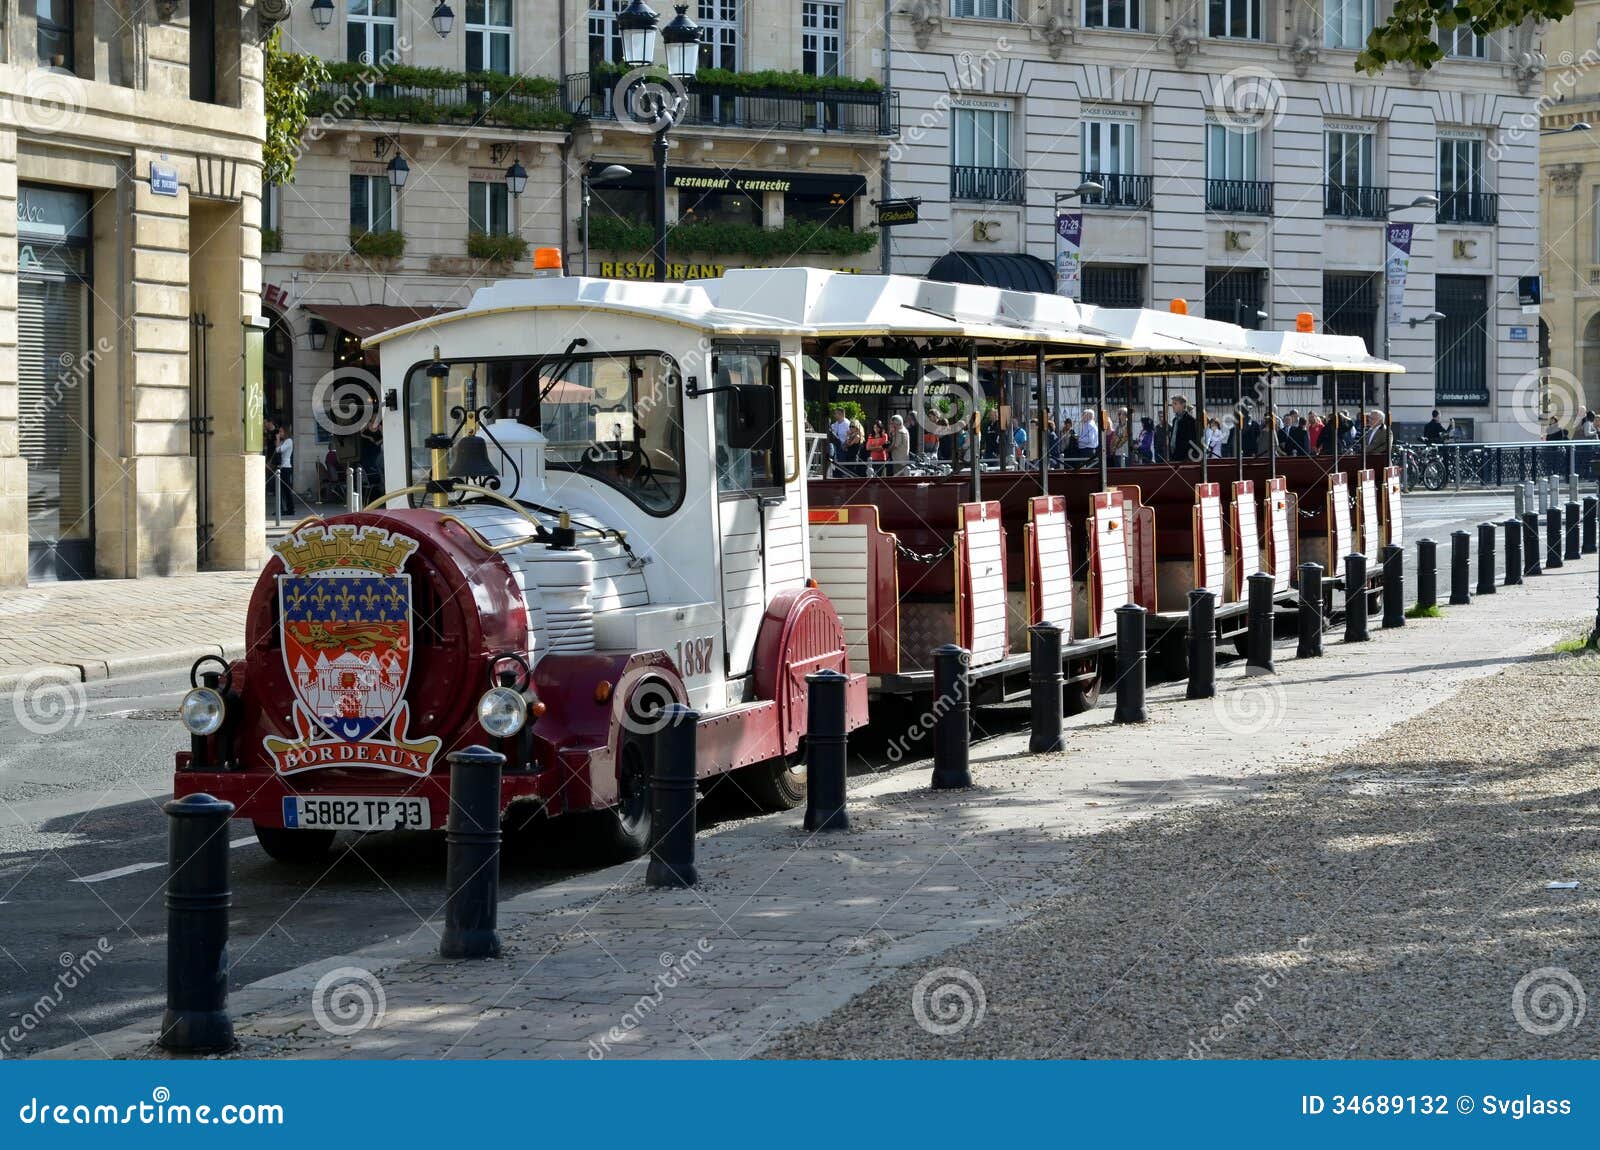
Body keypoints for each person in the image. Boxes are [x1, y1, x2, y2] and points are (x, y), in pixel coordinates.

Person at [1167, 394, 1198, 462]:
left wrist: (1188, 458)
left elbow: (1192, 440)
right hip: (1174, 457)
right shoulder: (1175, 420)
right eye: (1172, 404)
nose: (1172, 406)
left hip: (1185, 458)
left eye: (1175, 403)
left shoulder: (1190, 420)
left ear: (1183, 405)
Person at [275, 423, 296, 515]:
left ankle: (290, 509)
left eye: (281, 431)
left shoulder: (289, 441)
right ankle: (282, 509)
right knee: (281, 490)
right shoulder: (284, 441)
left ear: (285, 432)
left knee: (286, 490)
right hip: (282, 467)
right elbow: (277, 449)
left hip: (286, 467)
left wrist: (278, 439)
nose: (280, 433)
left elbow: (279, 450)